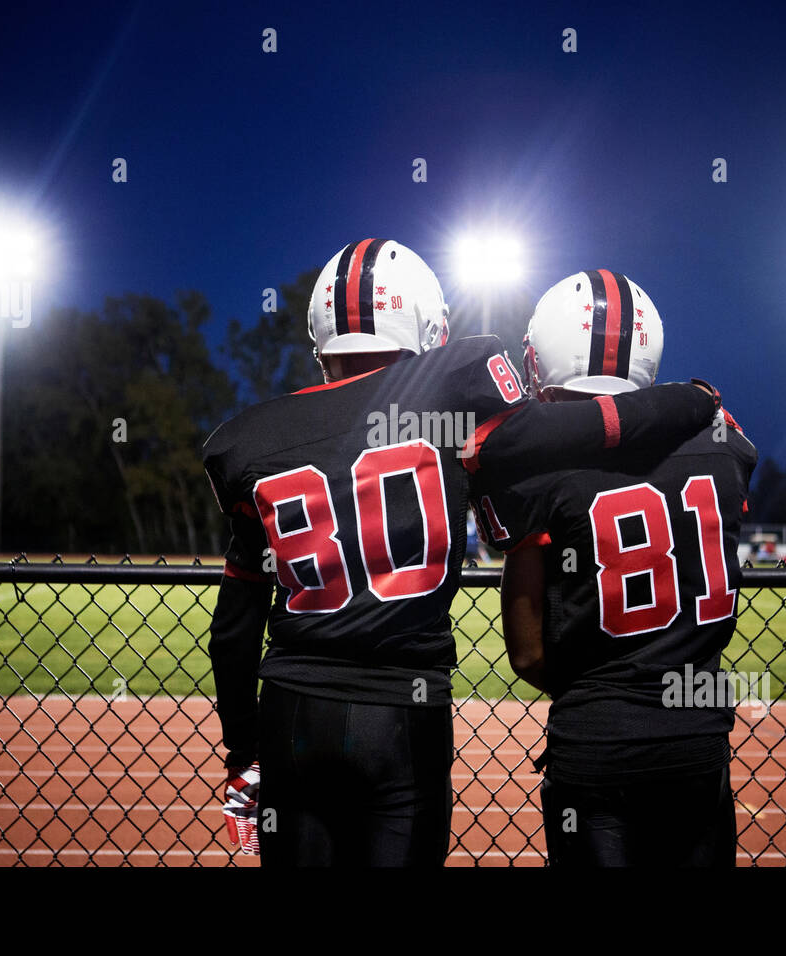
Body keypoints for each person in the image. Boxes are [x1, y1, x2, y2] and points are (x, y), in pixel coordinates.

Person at [203, 240, 721, 866]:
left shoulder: (245, 441)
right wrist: (691, 401)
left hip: (292, 712)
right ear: (426, 323)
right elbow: (576, 428)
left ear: (321, 338)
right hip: (403, 710)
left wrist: (244, 752)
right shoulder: (454, 382)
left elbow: (233, 633)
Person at [472, 269, 756, 867]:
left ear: (540, 354)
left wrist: (600, 697)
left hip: (595, 744)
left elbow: (526, 653)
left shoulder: (536, 463)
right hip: (698, 738)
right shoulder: (726, 444)